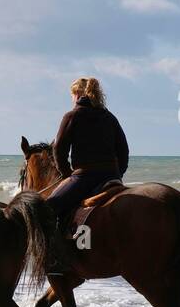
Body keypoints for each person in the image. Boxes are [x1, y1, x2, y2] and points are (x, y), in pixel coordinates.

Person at [45, 77, 129, 275]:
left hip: (84, 177)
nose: (72, 99)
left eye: (72, 95)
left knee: (48, 209)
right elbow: (123, 150)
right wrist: (118, 174)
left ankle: (58, 261)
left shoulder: (72, 115)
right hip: (111, 178)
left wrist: (67, 175)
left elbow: (58, 150)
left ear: (78, 95)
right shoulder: (109, 117)